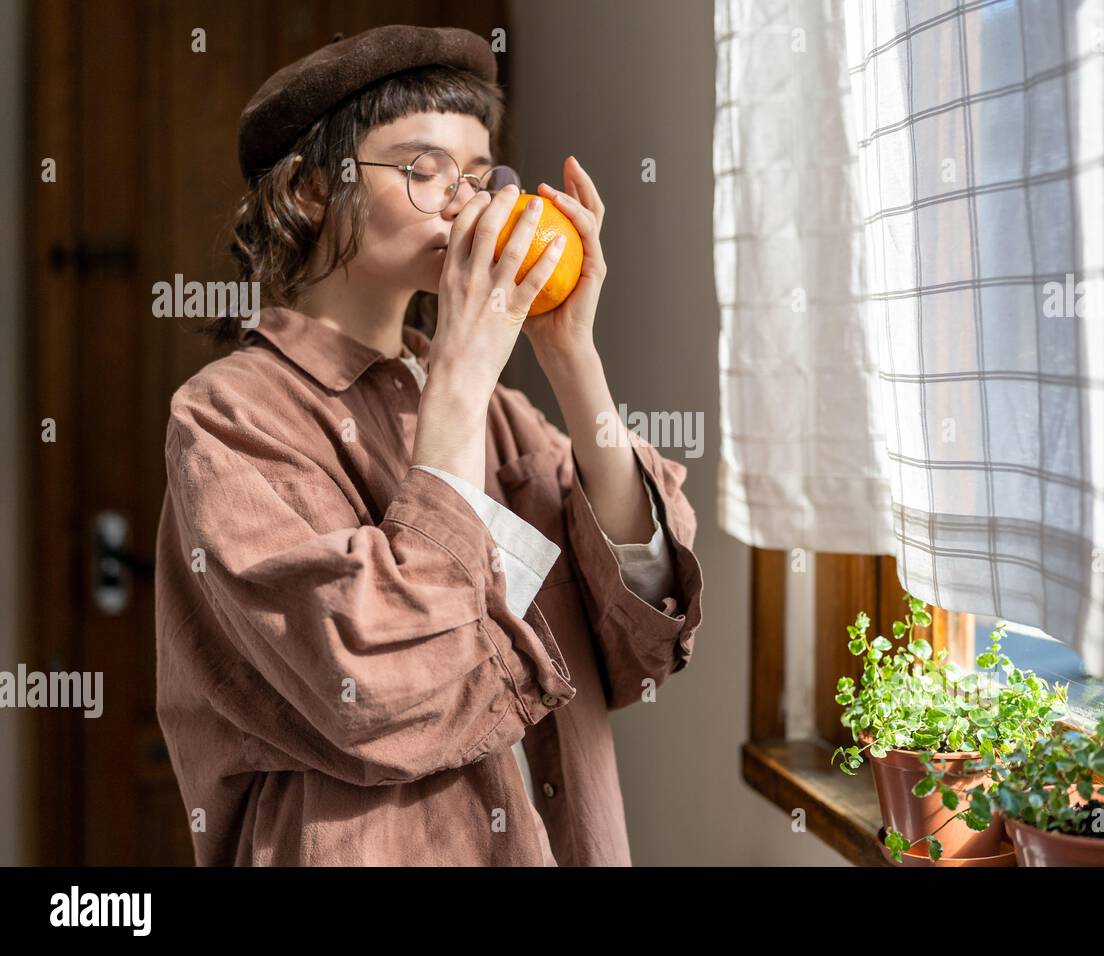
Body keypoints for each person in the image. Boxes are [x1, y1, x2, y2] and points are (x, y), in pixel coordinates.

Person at [153, 24, 703, 866]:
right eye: (422, 169)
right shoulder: (228, 418)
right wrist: (460, 371)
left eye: (479, 177)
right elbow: (369, 680)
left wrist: (570, 355)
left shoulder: (501, 411)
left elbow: (641, 623)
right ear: (308, 189)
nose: (464, 201)